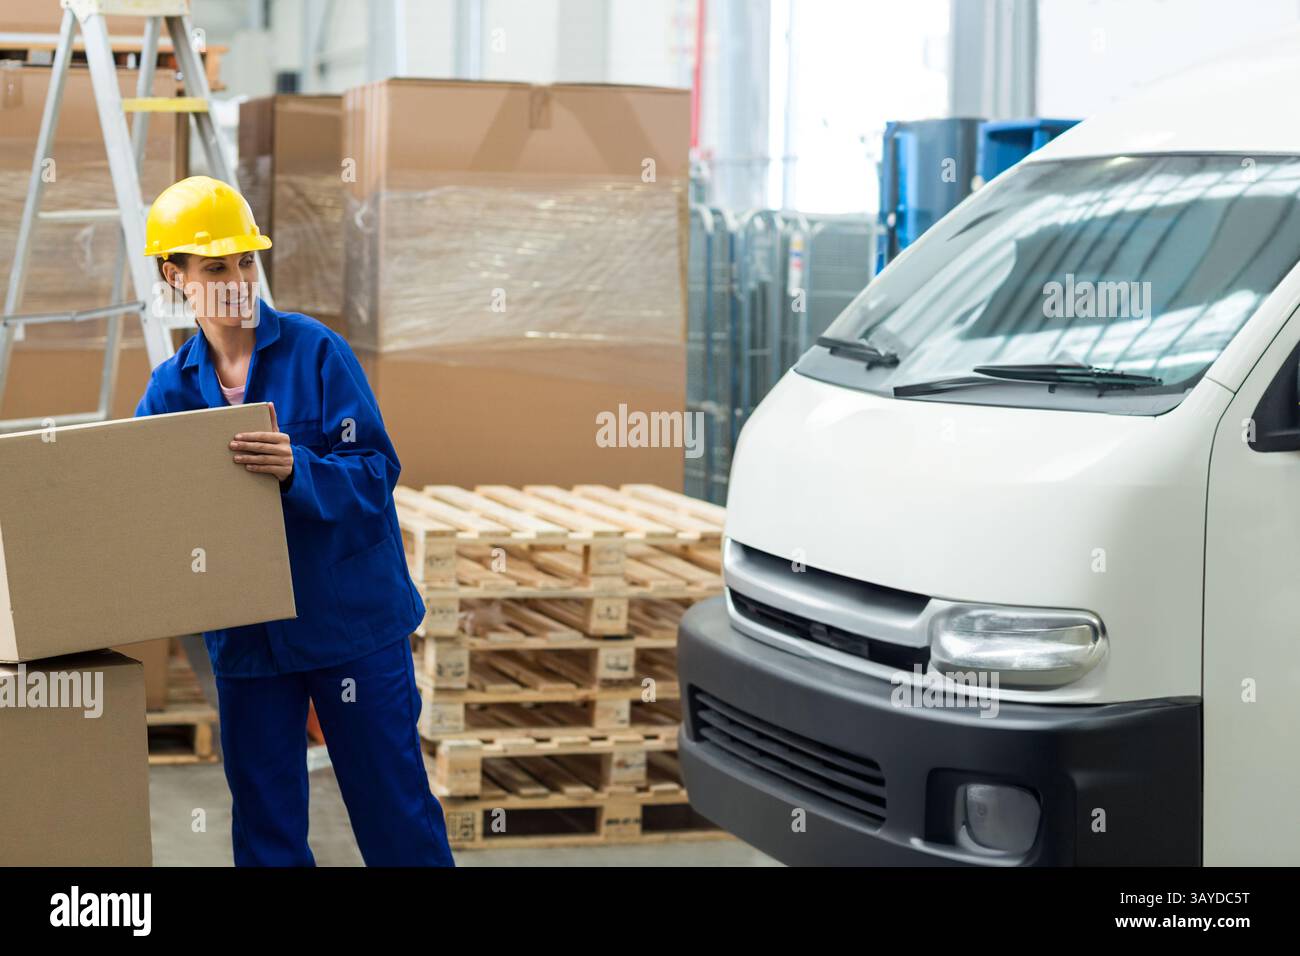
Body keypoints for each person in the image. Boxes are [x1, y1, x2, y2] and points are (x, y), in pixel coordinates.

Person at [135, 175, 454, 867]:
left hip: (350, 628)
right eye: (216, 266)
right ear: (175, 276)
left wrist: (297, 470)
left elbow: (376, 474)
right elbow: (147, 505)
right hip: (250, 638)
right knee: (265, 826)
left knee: (394, 811)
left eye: (246, 260)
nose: (239, 278)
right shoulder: (169, 392)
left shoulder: (317, 354)